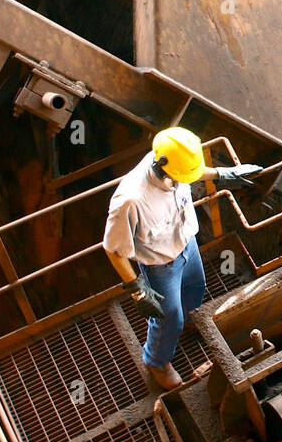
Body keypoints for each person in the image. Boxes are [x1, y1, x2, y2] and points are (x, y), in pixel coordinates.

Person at [103, 127, 261, 390]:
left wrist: (224, 174)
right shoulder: (130, 200)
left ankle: (189, 324)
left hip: (189, 246)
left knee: (196, 289)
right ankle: (156, 361)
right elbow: (112, 249)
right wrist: (137, 289)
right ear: (161, 165)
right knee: (169, 318)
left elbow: (193, 172)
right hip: (160, 266)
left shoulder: (175, 164)